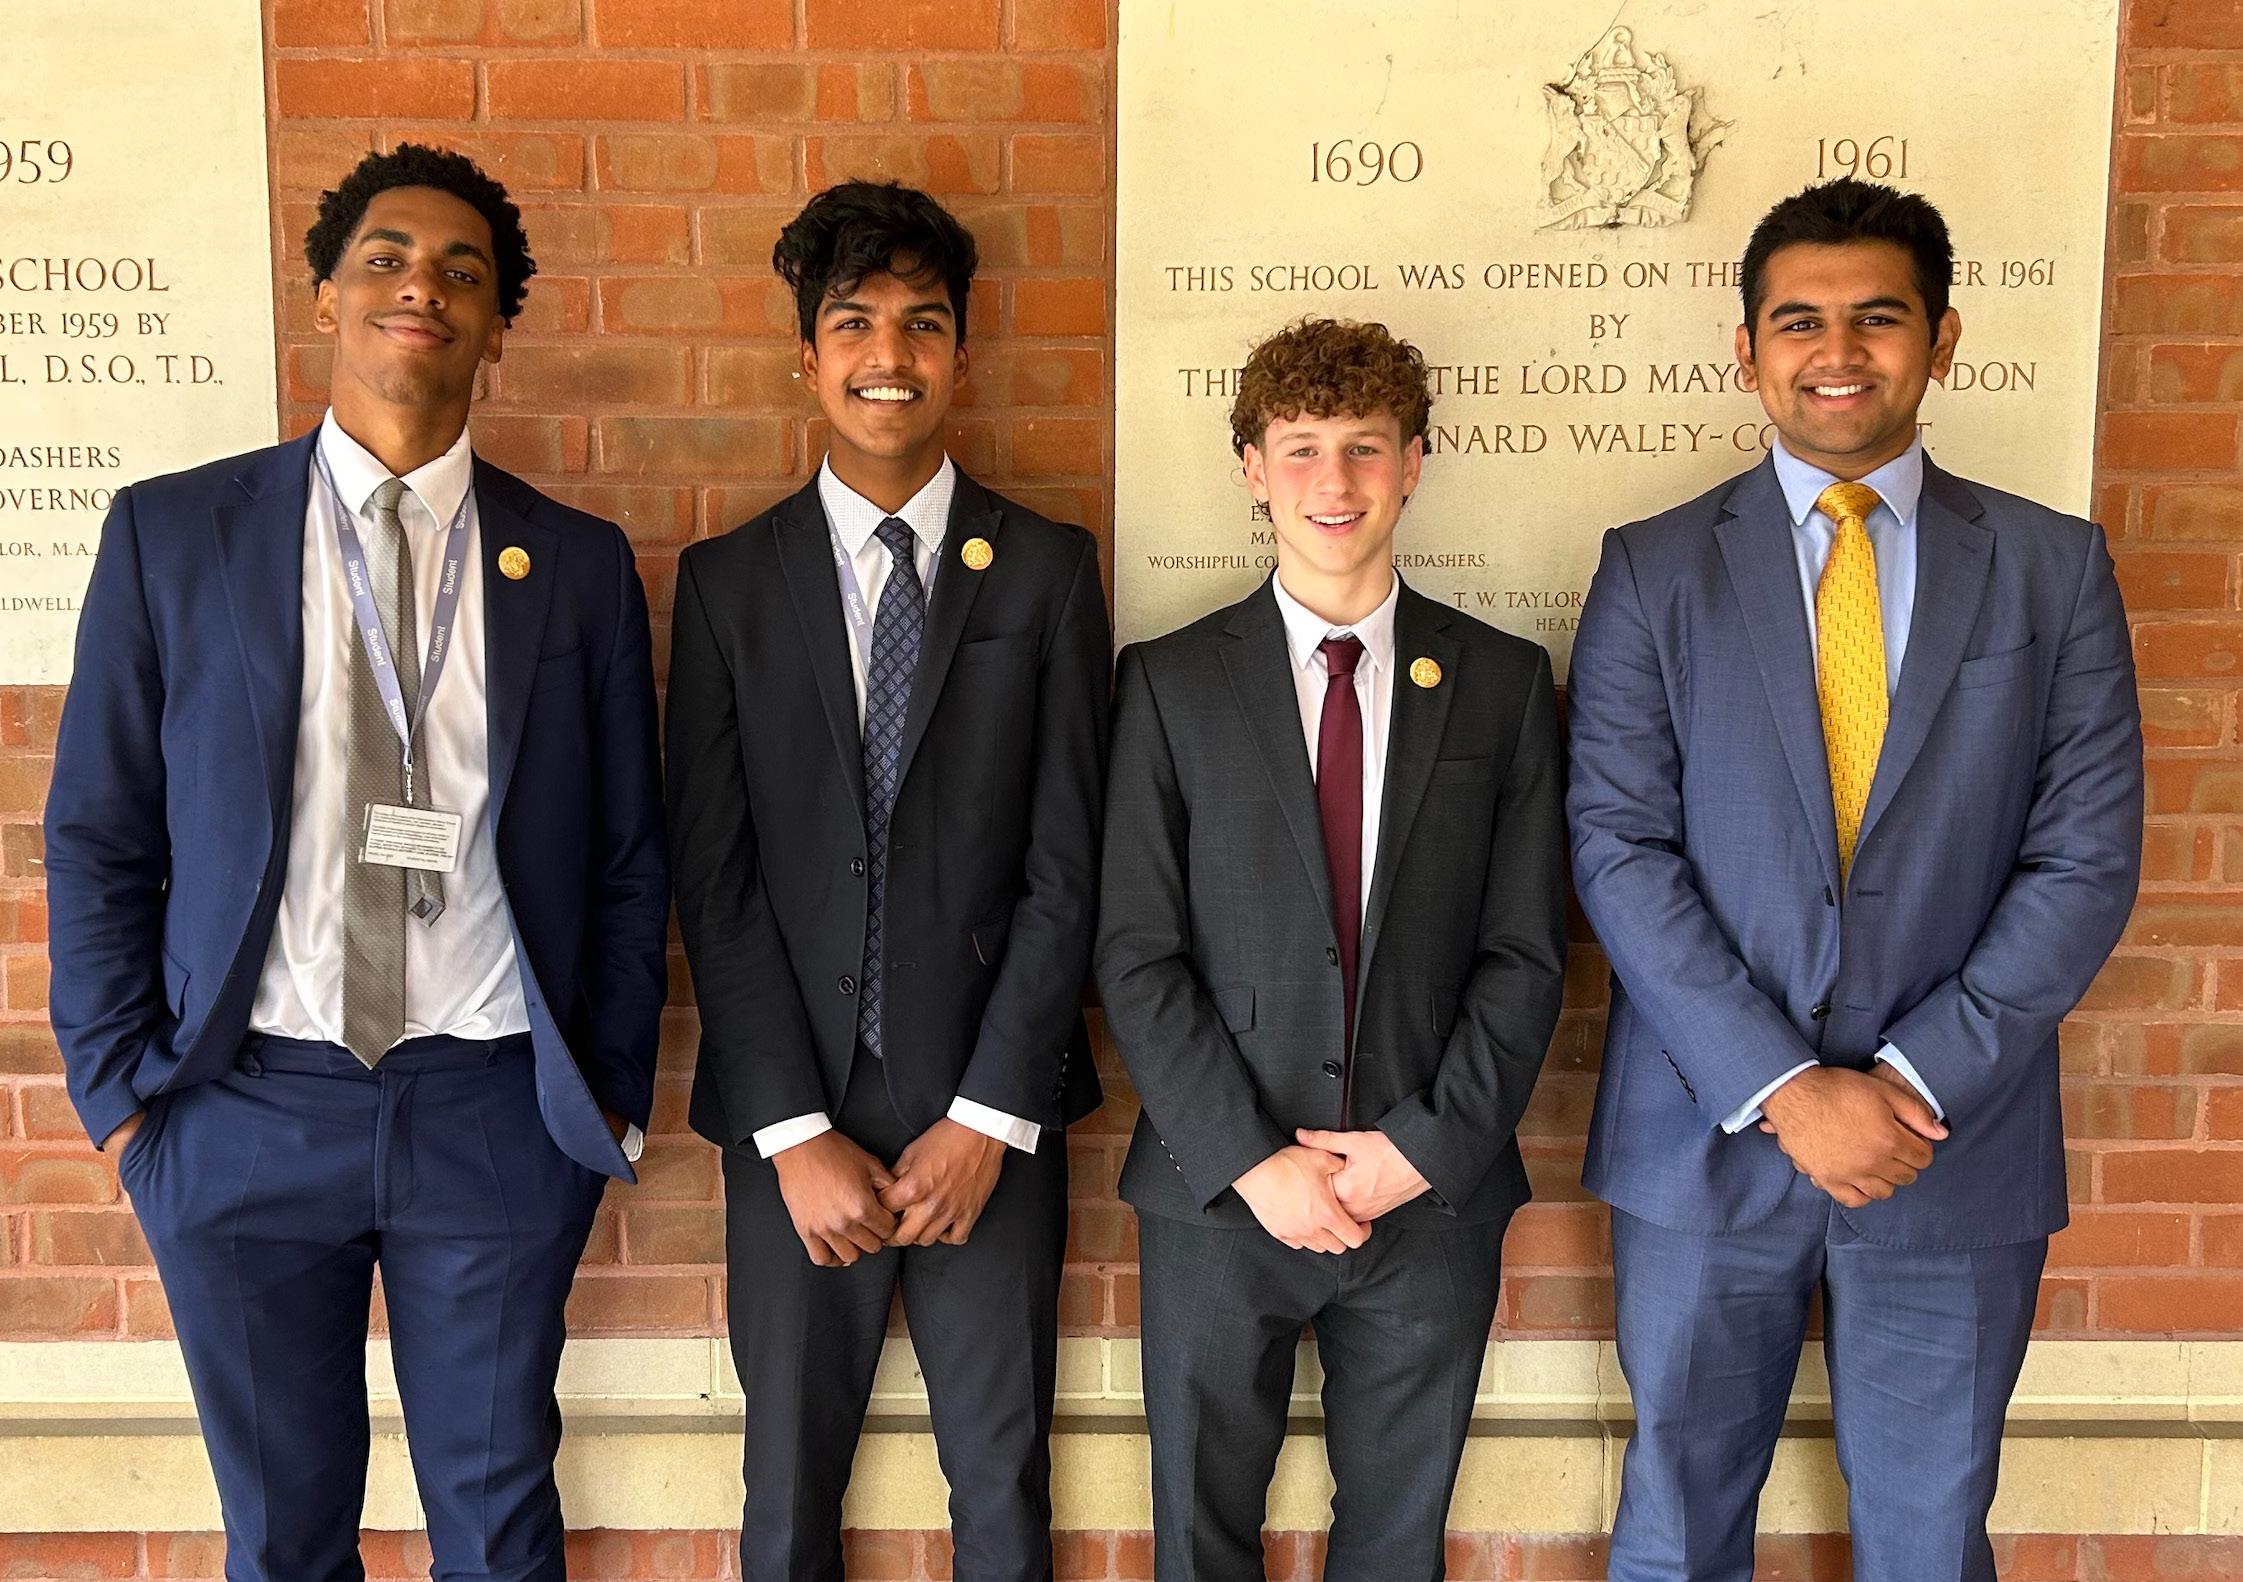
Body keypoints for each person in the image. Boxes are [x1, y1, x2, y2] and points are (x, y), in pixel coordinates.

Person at [43, 143, 669, 1582]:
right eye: (385, 260)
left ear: (496, 325)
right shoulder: (175, 535)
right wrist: (123, 1099)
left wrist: (604, 1092)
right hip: (243, 1107)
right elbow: (99, 833)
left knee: (499, 1530)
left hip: (491, 1110)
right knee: (281, 1537)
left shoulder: (575, 564)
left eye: (461, 271)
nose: (421, 289)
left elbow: (629, 856)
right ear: (324, 295)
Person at [1567, 177, 2144, 1582]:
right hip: (1705, 1140)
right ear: (1746, 349)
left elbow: (2081, 857)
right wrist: (1783, 1085)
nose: (1836, 351)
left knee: (1927, 1542)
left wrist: (1911, 1079)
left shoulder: (2050, 568)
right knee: (1674, 1529)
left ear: (1939, 339)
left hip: (1949, 1140)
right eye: (1798, 321)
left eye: (1876, 318)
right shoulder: (1650, 570)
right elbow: (1617, 848)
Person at [665, 179, 1110, 1582]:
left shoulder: (1045, 570)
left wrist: (987, 1116)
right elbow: (713, 877)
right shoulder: (726, 583)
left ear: (960, 354)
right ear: (805, 356)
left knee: (1002, 1484)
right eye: (853, 323)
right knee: (787, 1491)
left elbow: (1067, 862)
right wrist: (790, 1129)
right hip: (797, 1112)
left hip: (988, 1107)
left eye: (922, 323)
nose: (888, 354)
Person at [1095, 316, 1568, 1582]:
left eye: (1363, 446)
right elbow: (1136, 952)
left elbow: (1524, 954)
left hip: (1430, 1194)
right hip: (1217, 1192)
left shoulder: (1500, 683)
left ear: (1413, 462)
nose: (1333, 481)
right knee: (1197, 1543)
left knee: (1397, 1548)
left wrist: (1420, 1149)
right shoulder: (1169, 682)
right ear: (1251, 468)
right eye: (1299, 448)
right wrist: (1252, 1160)